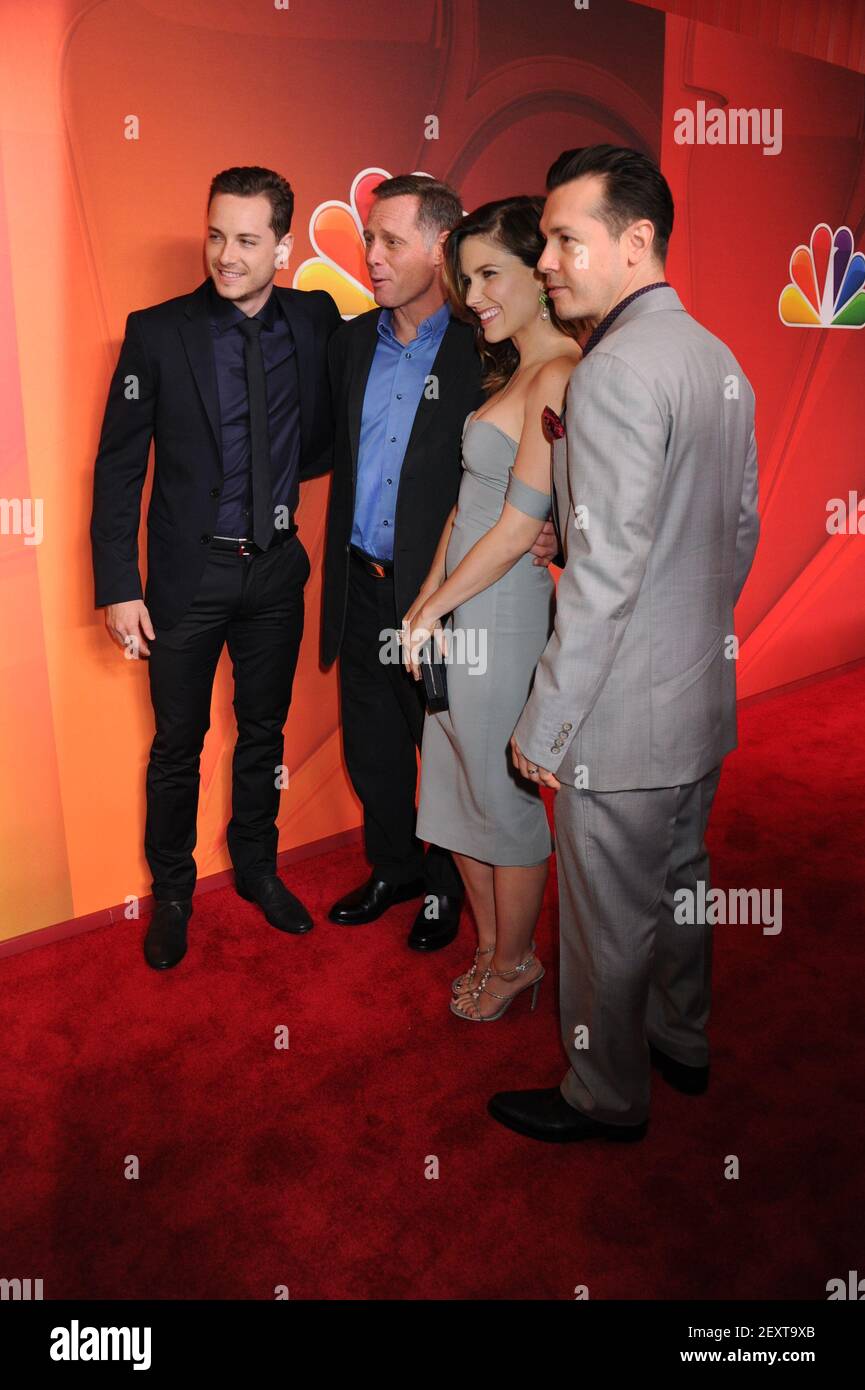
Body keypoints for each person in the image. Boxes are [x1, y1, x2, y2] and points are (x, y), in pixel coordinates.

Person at [486, 145, 760, 1141]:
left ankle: (603, 1095)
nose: (546, 258)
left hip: (618, 717)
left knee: (606, 919)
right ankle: (679, 1038)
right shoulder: (714, 355)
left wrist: (543, 724)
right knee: (681, 878)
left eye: (564, 237)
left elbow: (604, 581)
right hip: (696, 693)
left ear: (635, 241)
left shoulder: (607, 373)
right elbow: (730, 532)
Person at [91, 166, 341, 970]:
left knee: (263, 732)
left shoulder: (314, 318)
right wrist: (119, 585)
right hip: (186, 581)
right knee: (178, 743)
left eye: (244, 240)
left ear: (283, 245)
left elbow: (330, 431)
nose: (224, 256)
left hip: (275, 575)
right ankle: (170, 891)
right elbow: (119, 467)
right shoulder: (157, 332)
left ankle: (259, 869)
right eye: (214, 235)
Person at [321, 176, 559, 950]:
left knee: (455, 754)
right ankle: (393, 868)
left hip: (458, 600)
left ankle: (446, 892)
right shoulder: (351, 341)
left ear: (440, 247)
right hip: (363, 584)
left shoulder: (484, 345)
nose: (373, 256)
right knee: (373, 746)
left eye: (391, 241)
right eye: (369, 239)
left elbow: (531, 460)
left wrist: (550, 528)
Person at [401, 196, 590, 1019]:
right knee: (453, 786)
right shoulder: (511, 368)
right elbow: (465, 507)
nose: (472, 293)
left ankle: (517, 963)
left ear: (539, 275)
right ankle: (487, 946)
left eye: (489, 274)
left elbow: (518, 530)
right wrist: (422, 607)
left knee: (500, 791)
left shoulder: (559, 371)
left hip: (502, 616)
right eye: (464, 277)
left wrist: (433, 607)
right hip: (457, 607)